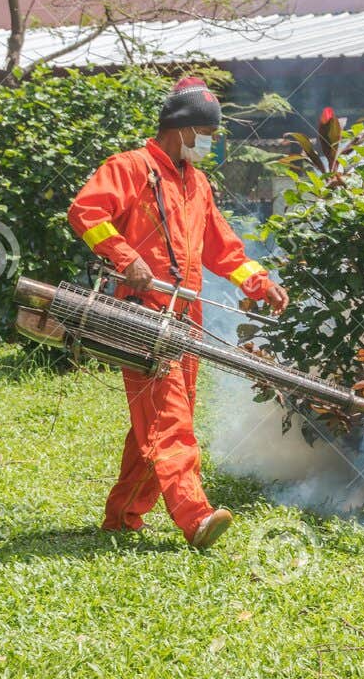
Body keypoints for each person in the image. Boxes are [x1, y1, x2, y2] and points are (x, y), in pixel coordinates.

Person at [66, 77, 289, 549]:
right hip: (141, 314)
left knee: (161, 415)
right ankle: (196, 516)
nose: (210, 142)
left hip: (186, 316)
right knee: (169, 418)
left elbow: (222, 247)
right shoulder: (130, 167)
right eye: (206, 133)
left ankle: (122, 516)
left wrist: (260, 283)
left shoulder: (197, 183)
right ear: (182, 129)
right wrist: (125, 257)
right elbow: (85, 212)